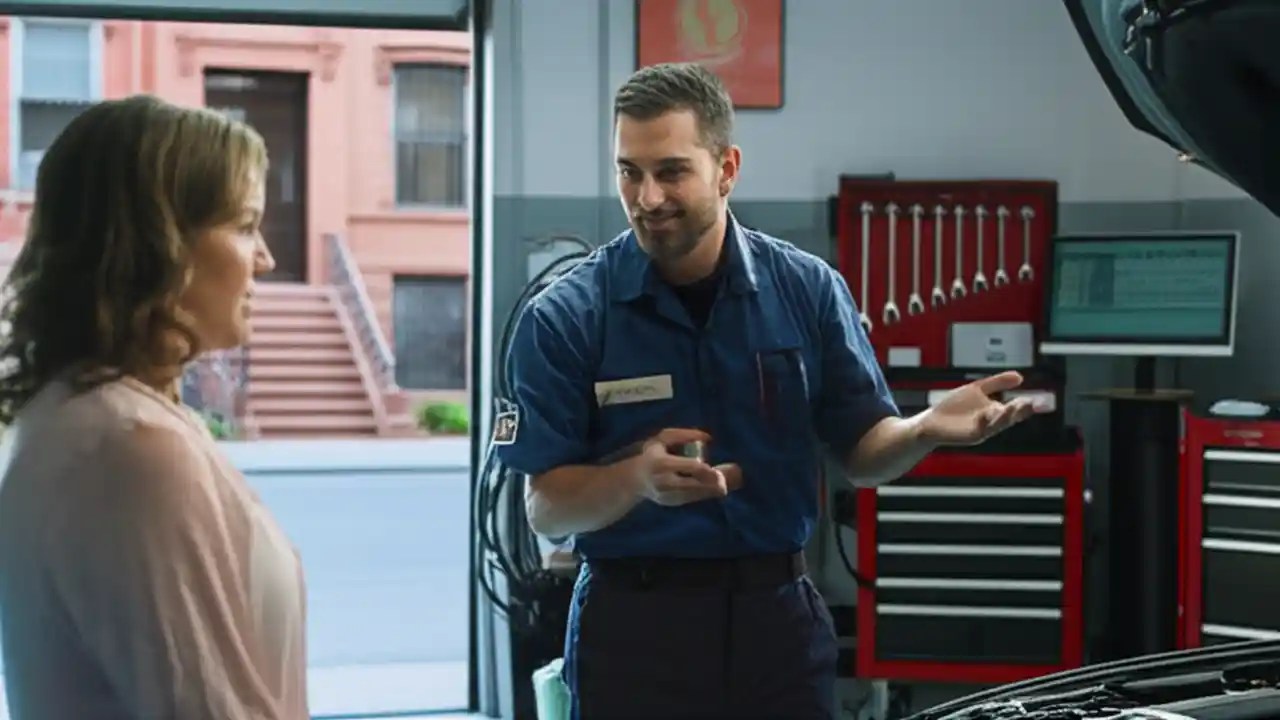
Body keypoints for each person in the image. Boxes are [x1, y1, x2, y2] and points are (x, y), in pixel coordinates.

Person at [497, 62, 1049, 719]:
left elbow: (864, 453)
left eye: (671, 171)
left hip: (775, 628)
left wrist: (924, 427)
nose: (646, 197)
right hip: (632, 632)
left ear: (726, 168)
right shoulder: (567, 316)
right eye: (628, 171)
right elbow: (547, 510)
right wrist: (634, 480)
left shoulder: (807, 290)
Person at [0, 95, 307, 719]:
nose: (266, 259)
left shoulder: (91, 417)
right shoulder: (128, 450)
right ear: (159, 243)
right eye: (245, 226)